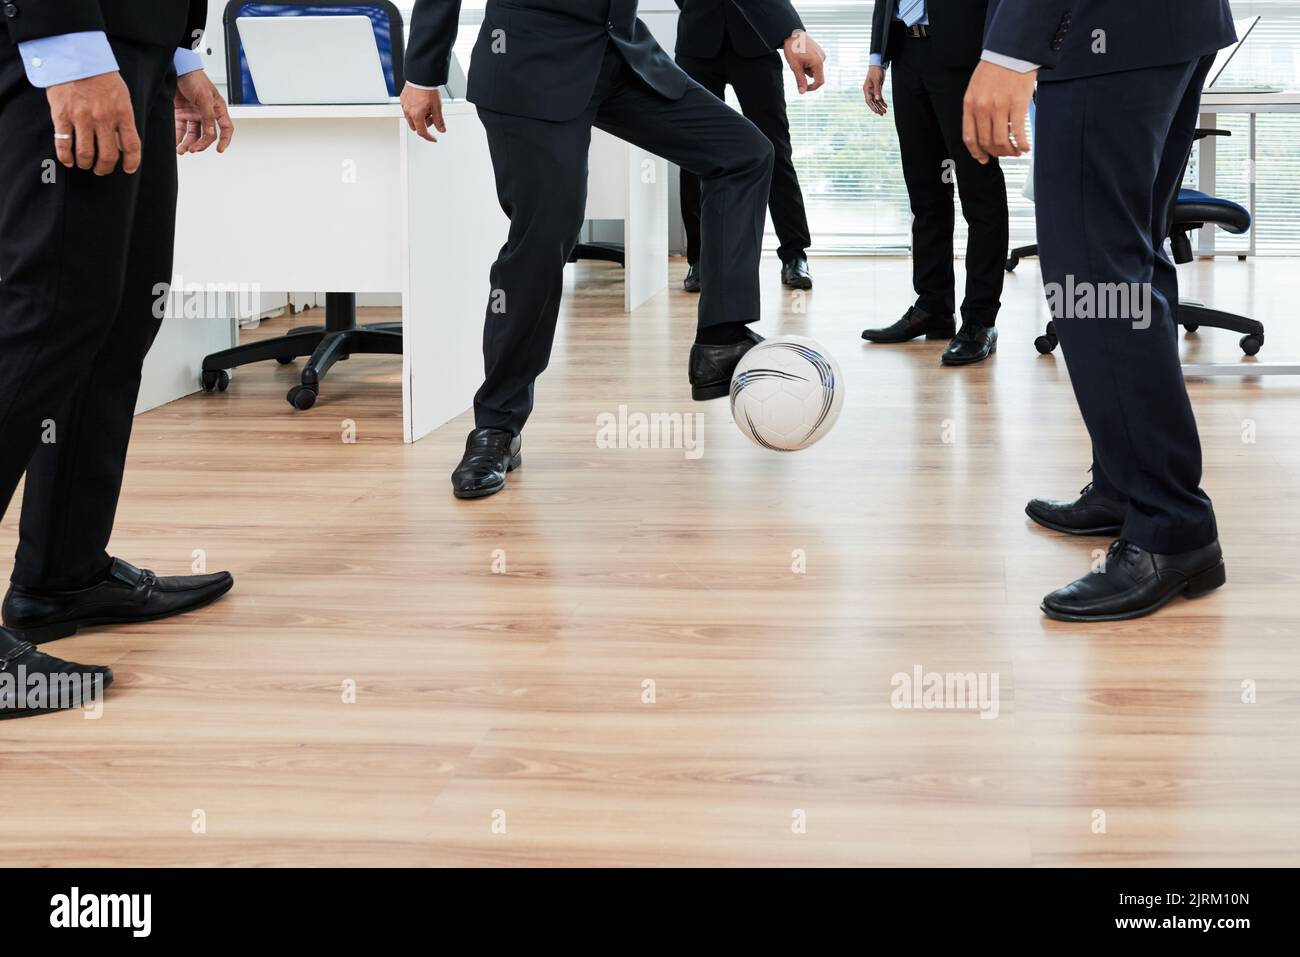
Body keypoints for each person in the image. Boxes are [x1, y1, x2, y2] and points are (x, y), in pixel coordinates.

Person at [401, 0, 826, 500]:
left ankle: (721, 338)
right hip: (528, 61)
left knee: (744, 153)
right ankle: (495, 427)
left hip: (620, 54)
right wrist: (423, 72)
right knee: (544, 238)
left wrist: (788, 32)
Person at [0, 0, 236, 717]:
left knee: (121, 312)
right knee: (50, 311)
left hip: (133, 41)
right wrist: (62, 37)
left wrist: (177, 52)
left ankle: (61, 575)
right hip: (68, 39)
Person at [965, 0, 1235, 621]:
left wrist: (1010, 48)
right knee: (1129, 262)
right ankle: (1128, 487)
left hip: (1105, 35)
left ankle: (1171, 529)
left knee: (1095, 281)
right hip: (1158, 30)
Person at [860, 0, 1008, 366]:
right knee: (925, 193)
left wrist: (1005, 60)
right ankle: (934, 306)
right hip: (906, 53)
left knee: (981, 193)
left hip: (969, 59)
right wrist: (877, 57)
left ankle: (980, 320)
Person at [673, 0, 814, 294]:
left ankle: (795, 253)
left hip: (756, 40)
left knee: (775, 150)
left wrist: (793, 31)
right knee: (694, 152)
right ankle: (699, 260)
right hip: (697, 41)